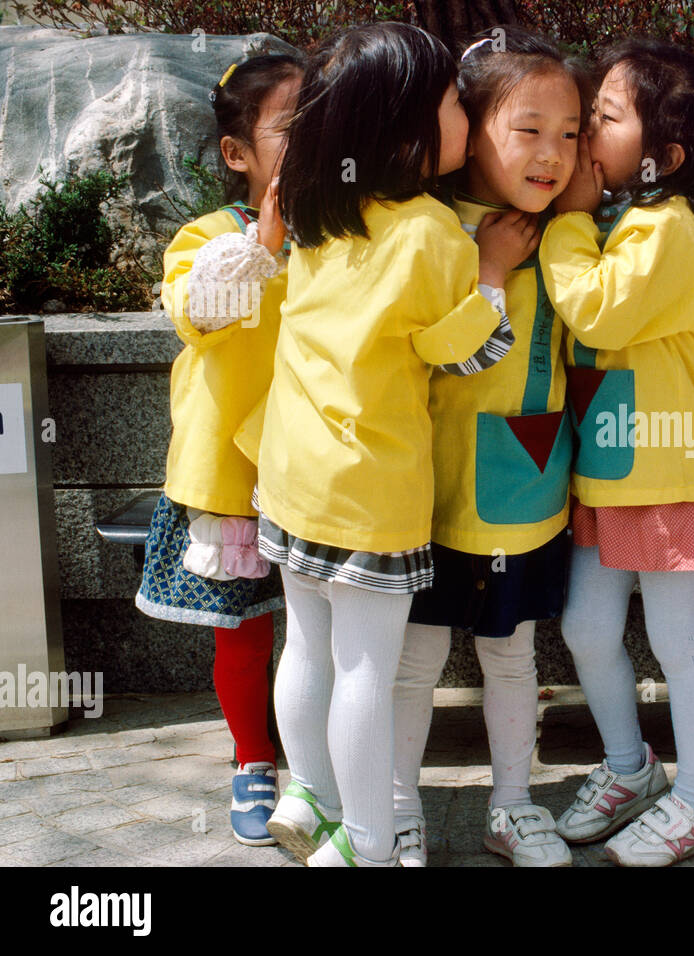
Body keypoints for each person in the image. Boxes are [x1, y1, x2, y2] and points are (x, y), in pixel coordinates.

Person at [255, 22, 536, 866]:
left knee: (304, 644)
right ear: (409, 126)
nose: (465, 115)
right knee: (366, 670)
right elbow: (466, 348)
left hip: (293, 473)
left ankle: (308, 798)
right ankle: (369, 845)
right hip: (371, 488)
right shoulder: (431, 234)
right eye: (455, 102)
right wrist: (492, 274)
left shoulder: (318, 211)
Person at [538, 38, 694, 866]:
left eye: (601, 120)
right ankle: (629, 767)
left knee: (678, 644)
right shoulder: (627, 219)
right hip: (609, 474)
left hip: (670, 474)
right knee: (586, 629)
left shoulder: (664, 229)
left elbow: (598, 312)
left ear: (664, 157)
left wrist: (566, 221)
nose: (581, 137)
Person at [392, 25, 587, 868]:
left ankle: (514, 803)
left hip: (527, 485)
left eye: (572, 133)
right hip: (427, 487)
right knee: (414, 659)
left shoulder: (575, 234)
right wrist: (488, 267)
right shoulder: (428, 228)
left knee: (513, 656)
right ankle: (396, 808)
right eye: (529, 130)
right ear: (470, 131)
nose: (553, 153)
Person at [139, 53, 302, 847]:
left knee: (319, 630)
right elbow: (201, 312)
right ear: (238, 154)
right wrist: (263, 247)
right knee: (243, 631)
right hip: (234, 471)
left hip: (320, 470)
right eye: (287, 127)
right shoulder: (208, 237)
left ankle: (313, 764)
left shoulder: (349, 236)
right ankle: (251, 759)